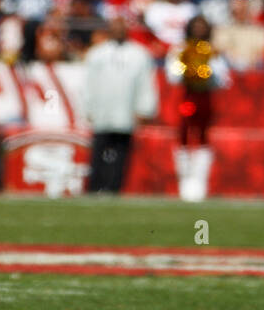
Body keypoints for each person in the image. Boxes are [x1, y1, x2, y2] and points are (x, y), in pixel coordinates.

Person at [82, 16, 159, 194]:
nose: (118, 31)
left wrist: (144, 108)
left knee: (121, 152)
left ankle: (115, 187)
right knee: (98, 151)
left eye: (121, 27)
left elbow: (146, 83)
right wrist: (88, 107)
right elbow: (87, 83)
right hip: (102, 111)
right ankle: (95, 187)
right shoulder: (97, 53)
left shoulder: (139, 54)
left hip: (125, 111)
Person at [166, 14, 231, 201]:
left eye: (202, 26)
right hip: (187, 96)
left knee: (203, 136)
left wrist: (208, 73)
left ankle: (200, 182)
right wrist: (187, 71)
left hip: (205, 97)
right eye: (196, 26)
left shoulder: (212, 50)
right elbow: (172, 74)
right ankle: (184, 182)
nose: (199, 29)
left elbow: (224, 79)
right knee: (184, 135)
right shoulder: (181, 48)